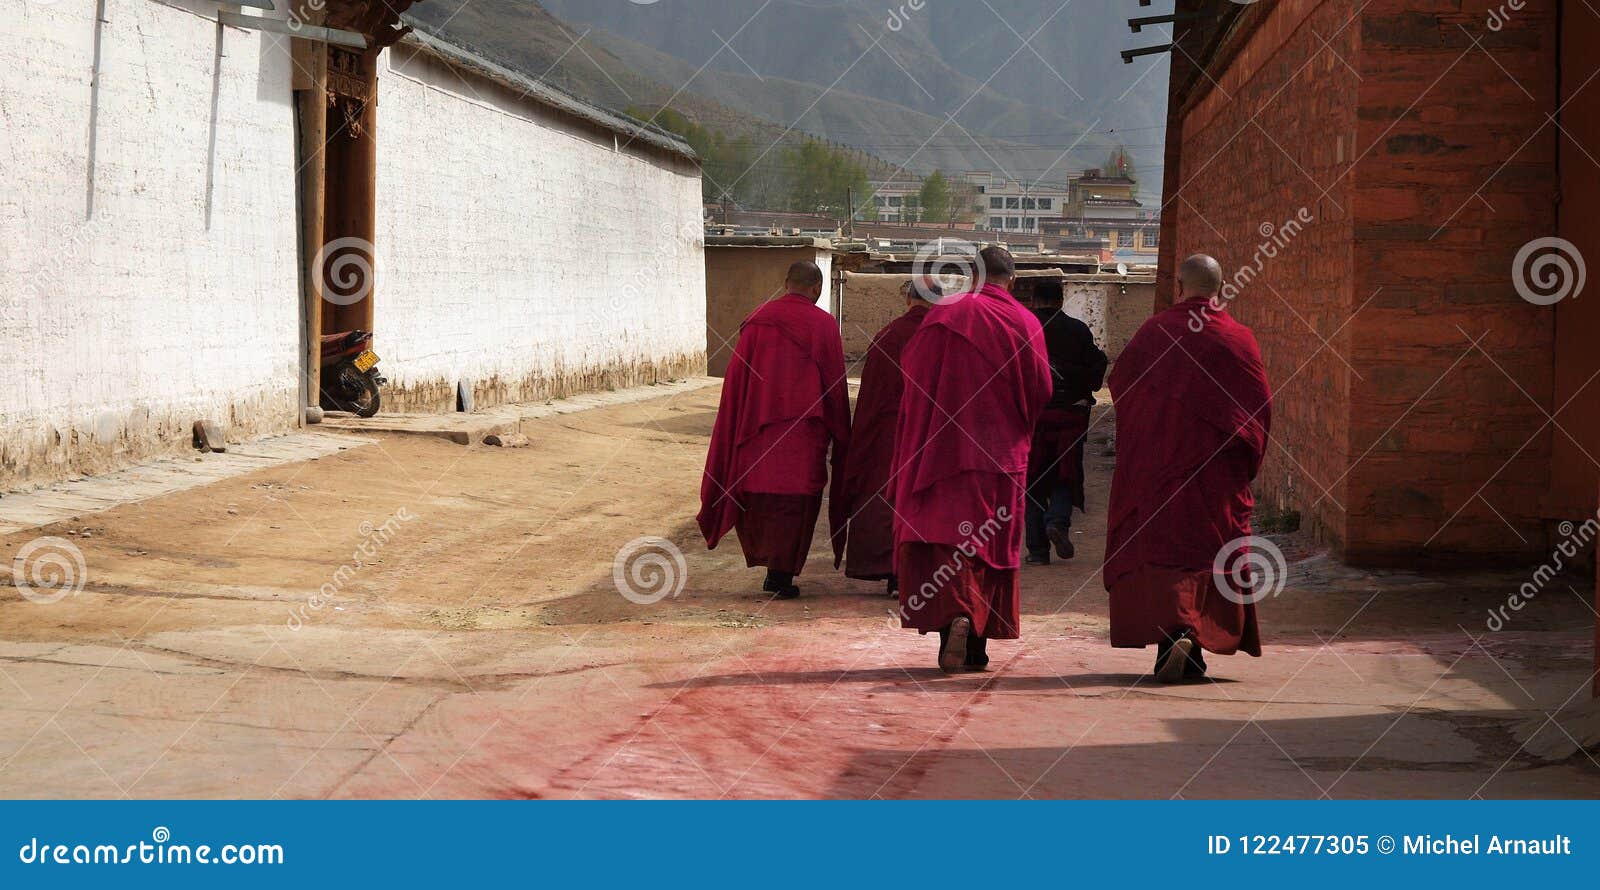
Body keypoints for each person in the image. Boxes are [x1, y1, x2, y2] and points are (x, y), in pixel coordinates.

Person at [1104, 253, 1273, 682]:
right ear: (1222, 287)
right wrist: (1245, 463)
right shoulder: (1238, 338)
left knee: (1163, 549)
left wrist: (1146, 439)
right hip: (1215, 474)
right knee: (1206, 550)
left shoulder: (1154, 332)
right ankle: (1192, 639)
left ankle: (1173, 637)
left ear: (1179, 288)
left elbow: (1121, 383)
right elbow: (1257, 412)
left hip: (1157, 467)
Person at [892, 247, 1052, 672]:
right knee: (989, 544)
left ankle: (953, 623)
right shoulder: (1025, 322)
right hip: (999, 457)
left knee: (950, 540)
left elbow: (912, 378)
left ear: (973, 277)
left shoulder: (942, 316)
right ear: (1012, 282)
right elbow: (1041, 392)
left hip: (942, 453)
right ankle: (978, 644)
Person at [698, 261, 851, 599]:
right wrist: (843, 433)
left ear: (786, 284)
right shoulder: (823, 324)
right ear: (817, 289)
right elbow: (835, 384)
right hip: (803, 436)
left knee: (760, 498)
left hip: (757, 433)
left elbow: (736, 383)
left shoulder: (758, 320)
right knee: (796, 504)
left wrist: (737, 423)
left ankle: (768, 565)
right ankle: (780, 573)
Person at [838, 278, 943, 597]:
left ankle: (894, 572)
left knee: (888, 499)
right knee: (926, 502)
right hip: (933, 433)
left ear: (909, 300)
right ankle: (919, 572)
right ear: (938, 302)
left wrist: (862, 438)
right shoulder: (945, 335)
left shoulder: (888, 336)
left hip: (889, 431)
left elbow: (871, 395)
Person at [1022, 279, 1108, 566]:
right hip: (1070, 417)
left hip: (1033, 418)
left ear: (1034, 300)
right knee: (1065, 473)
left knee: (1032, 480)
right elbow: (1096, 372)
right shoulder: (1078, 330)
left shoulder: (1024, 329)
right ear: (1061, 301)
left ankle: (1037, 551)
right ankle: (1057, 522)